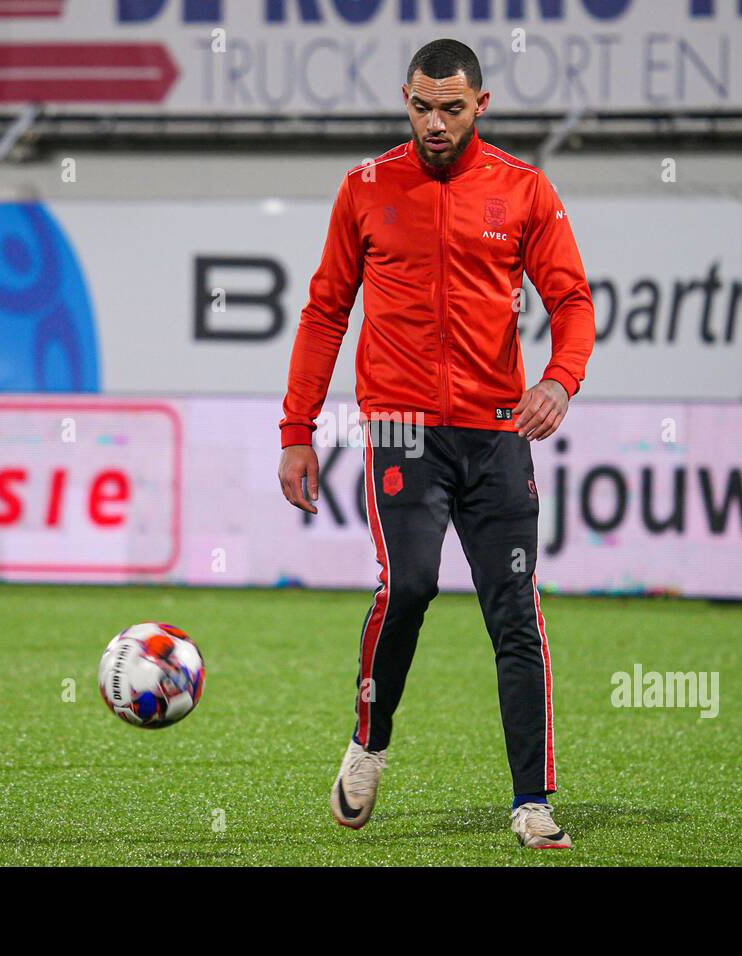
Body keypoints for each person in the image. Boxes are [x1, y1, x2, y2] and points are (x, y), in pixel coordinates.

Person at [277, 38, 594, 849]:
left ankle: (531, 801)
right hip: (400, 430)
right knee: (410, 586)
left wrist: (561, 377)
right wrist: (297, 432)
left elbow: (572, 299)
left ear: (479, 106)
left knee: (515, 615)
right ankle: (370, 745)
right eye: (421, 106)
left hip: (495, 436)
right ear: (406, 100)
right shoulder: (366, 189)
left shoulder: (525, 191)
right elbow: (323, 313)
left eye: (452, 108)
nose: (435, 122)